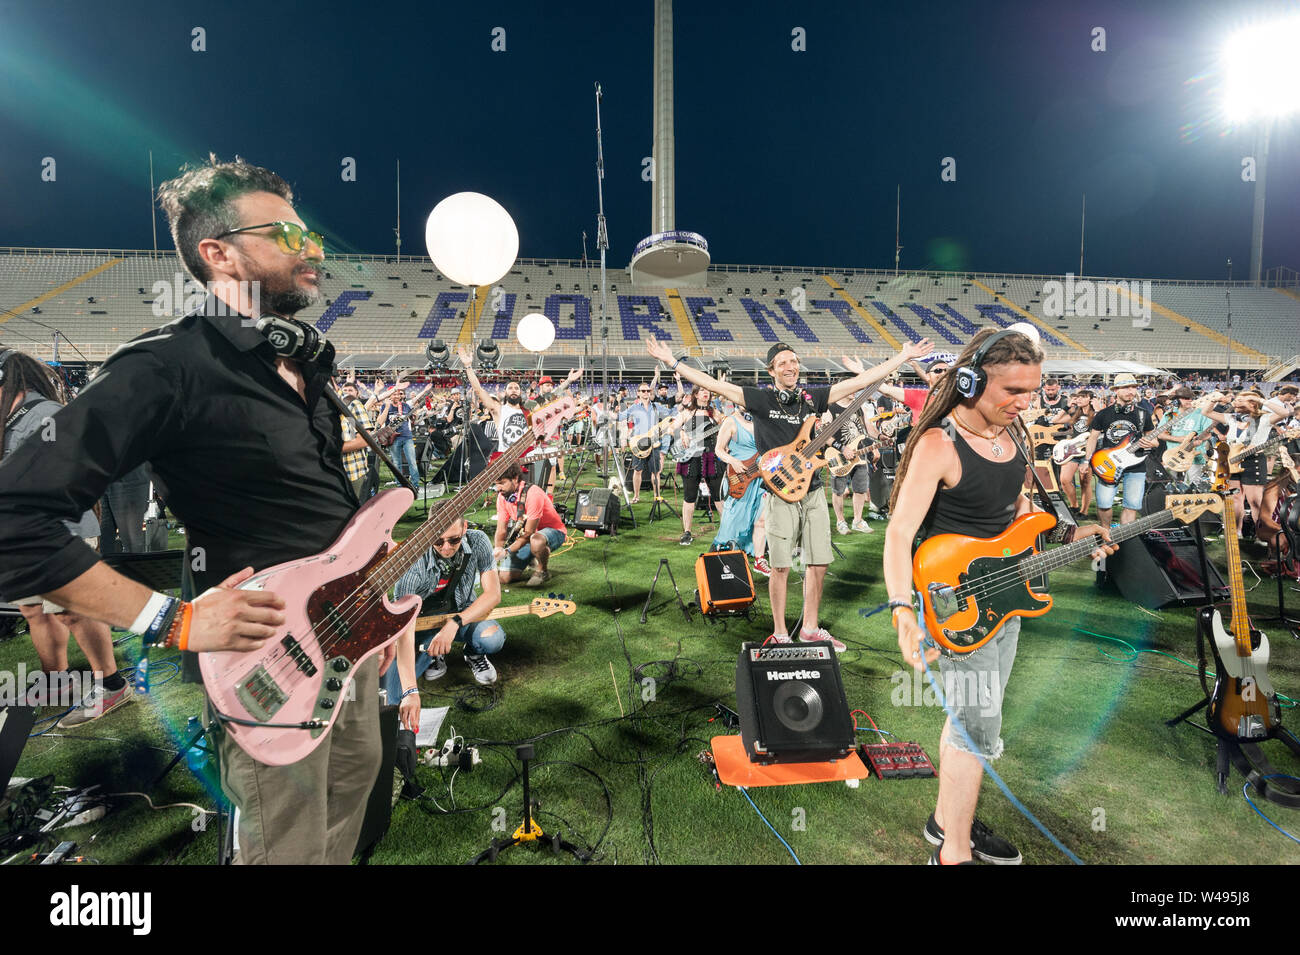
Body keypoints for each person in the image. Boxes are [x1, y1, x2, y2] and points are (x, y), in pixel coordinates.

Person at [0, 157, 389, 865]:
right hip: (264, 670)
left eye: (314, 239)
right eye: (289, 237)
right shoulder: (168, 365)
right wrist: (170, 618)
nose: (313, 252)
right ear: (218, 252)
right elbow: (13, 520)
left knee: (345, 838)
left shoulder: (303, 362)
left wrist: (371, 602)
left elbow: (322, 524)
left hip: (346, 646)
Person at [884, 328, 1115, 865]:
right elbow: (898, 534)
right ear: (970, 382)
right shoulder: (939, 444)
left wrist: (1069, 535)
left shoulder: (1017, 438)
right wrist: (902, 611)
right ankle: (954, 853)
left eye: (1031, 391)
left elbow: (1017, 513)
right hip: (954, 602)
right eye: (1012, 391)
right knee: (978, 728)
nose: (1024, 402)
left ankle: (945, 822)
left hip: (1005, 598)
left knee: (967, 718)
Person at [647, 334, 932, 650]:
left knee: (819, 562)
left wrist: (902, 357)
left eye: (794, 361)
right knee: (780, 566)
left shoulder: (812, 398)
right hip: (779, 493)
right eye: (783, 362)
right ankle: (781, 632)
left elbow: (861, 381)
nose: (790, 366)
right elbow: (715, 386)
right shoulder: (760, 399)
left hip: (812, 491)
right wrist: (673, 361)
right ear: (771, 370)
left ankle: (810, 628)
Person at [0, 349, 129, 723]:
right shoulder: (10, 420)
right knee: (33, 611)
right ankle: (56, 682)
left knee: (74, 611)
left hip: (60, 533)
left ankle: (112, 685)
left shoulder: (45, 415)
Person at [387, 516, 504, 704]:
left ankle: (473, 652)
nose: (446, 547)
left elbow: (493, 595)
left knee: (492, 638)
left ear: (464, 527)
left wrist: (454, 623)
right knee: (394, 693)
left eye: (454, 540)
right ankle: (434, 652)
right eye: (437, 540)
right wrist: (410, 692)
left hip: (461, 613)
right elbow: (403, 624)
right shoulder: (412, 560)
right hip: (421, 622)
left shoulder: (478, 540)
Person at [1085, 373, 1158, 528]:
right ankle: (1106, 535)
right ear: (1116, 390)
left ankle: (1124, 540)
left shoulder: (1143, 414)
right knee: (1104, 503)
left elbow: (1155, 440)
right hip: (1109, 462)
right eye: (1126, 387)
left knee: (1131, 505)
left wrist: (1150, 443)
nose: (1130, 391)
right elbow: (1092, 438)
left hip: (1136, 464)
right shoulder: (1104, 414)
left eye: (1133, 387)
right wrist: (1086, 460)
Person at [712, 403, 768, 567]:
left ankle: (759, 559)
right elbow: (719, 449)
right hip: (740, 479)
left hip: (762, 478)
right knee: (733, 523)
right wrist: (733, 461)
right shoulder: (730, 422)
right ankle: (719, 559)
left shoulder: (761, 420)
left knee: (761, 519)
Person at [494, 462, 566, 586]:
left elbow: (529, 533)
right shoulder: (502, 497)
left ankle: (542, 570)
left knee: (536, 541)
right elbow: (501, 530)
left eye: (502, 483)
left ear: (515, 479)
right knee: (504, 578)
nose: (498, 488)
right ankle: (533, 555)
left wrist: (507, 551)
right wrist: (498, 550)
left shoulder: (533, 493)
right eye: (496, 484)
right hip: (527, 537)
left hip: (553, 532)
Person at [672, 385, 722, 545]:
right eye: (702, 390)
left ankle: (727, 530)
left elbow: (727, 428)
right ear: (695, 394)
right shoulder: (687, 413)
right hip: (691, 458)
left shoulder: (714, 413)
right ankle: (687, 532)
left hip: (711, 457)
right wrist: (681, 433)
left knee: (719, 496)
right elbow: (671, 427)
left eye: (708, 390)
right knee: (689, 496)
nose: (706, 392)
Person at [826, 398, 874, 535]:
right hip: (838, 455)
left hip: (860, 454)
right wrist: (842, 448)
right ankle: (840, 521)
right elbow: (824, 435)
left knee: (860, 489)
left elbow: (869, 429)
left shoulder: (859, 407)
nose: (855, 391)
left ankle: (857, 521)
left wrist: (880, 436)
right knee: (839, 491)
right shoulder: (831, 408)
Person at [619, 380, 664, 504]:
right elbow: (620, 416)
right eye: (643, 391)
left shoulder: (656, 406)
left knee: (655, 472)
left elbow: (670, 413)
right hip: (639, 443)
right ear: (638, 393)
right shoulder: (633, 407)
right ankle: (636, 496)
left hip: (654, 442)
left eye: (648, 391)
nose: (646, 393)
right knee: (637, 470)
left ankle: (656, 495)